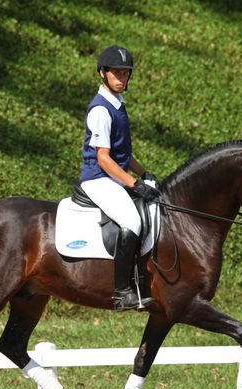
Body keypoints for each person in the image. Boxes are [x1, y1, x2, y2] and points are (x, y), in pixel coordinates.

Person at [79, 45, 160, 311]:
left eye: (126, 73)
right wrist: (133, 184)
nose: (122, 78)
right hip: (98, 178)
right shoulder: (101, 109)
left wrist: (144, 173)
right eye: (116, 73)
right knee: (132, 221)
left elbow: (123, 154)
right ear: (102, 73)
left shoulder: (118, 103)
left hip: (113, 175)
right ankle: (122, 292)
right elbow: (104, 158)